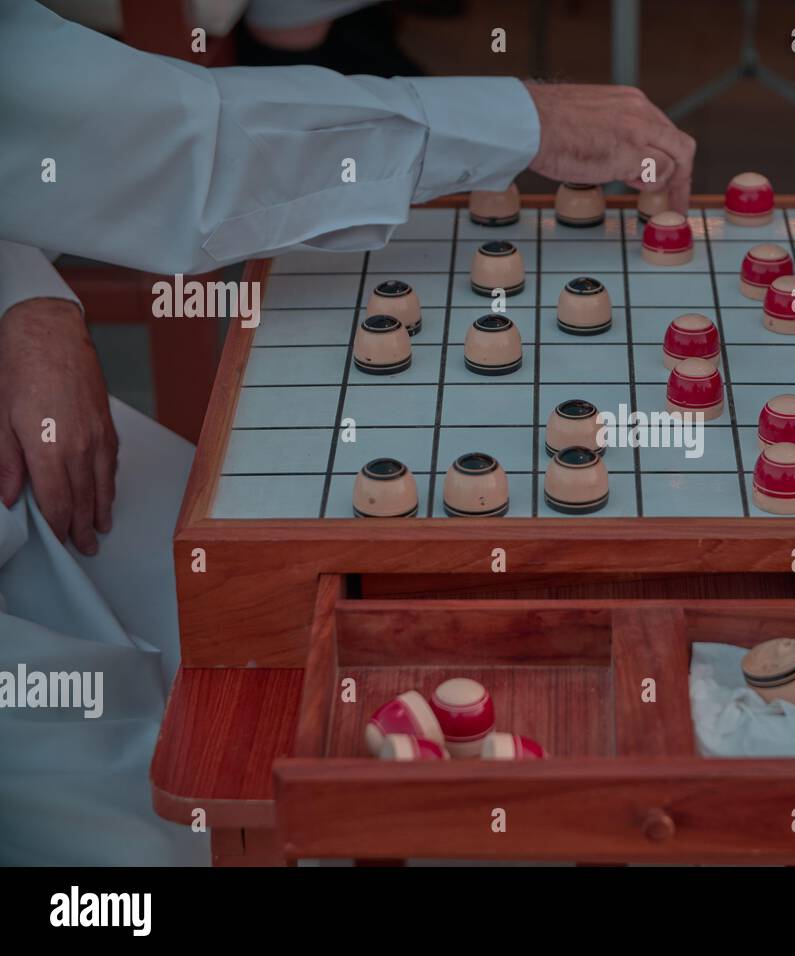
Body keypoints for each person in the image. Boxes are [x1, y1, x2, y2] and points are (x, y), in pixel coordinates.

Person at [0, 0, 694, 864]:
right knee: (161, 837)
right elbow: (162, 144)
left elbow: (48, 122)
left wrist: (21, 297)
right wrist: (523, 118)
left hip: (35, 466)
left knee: (283, 627)